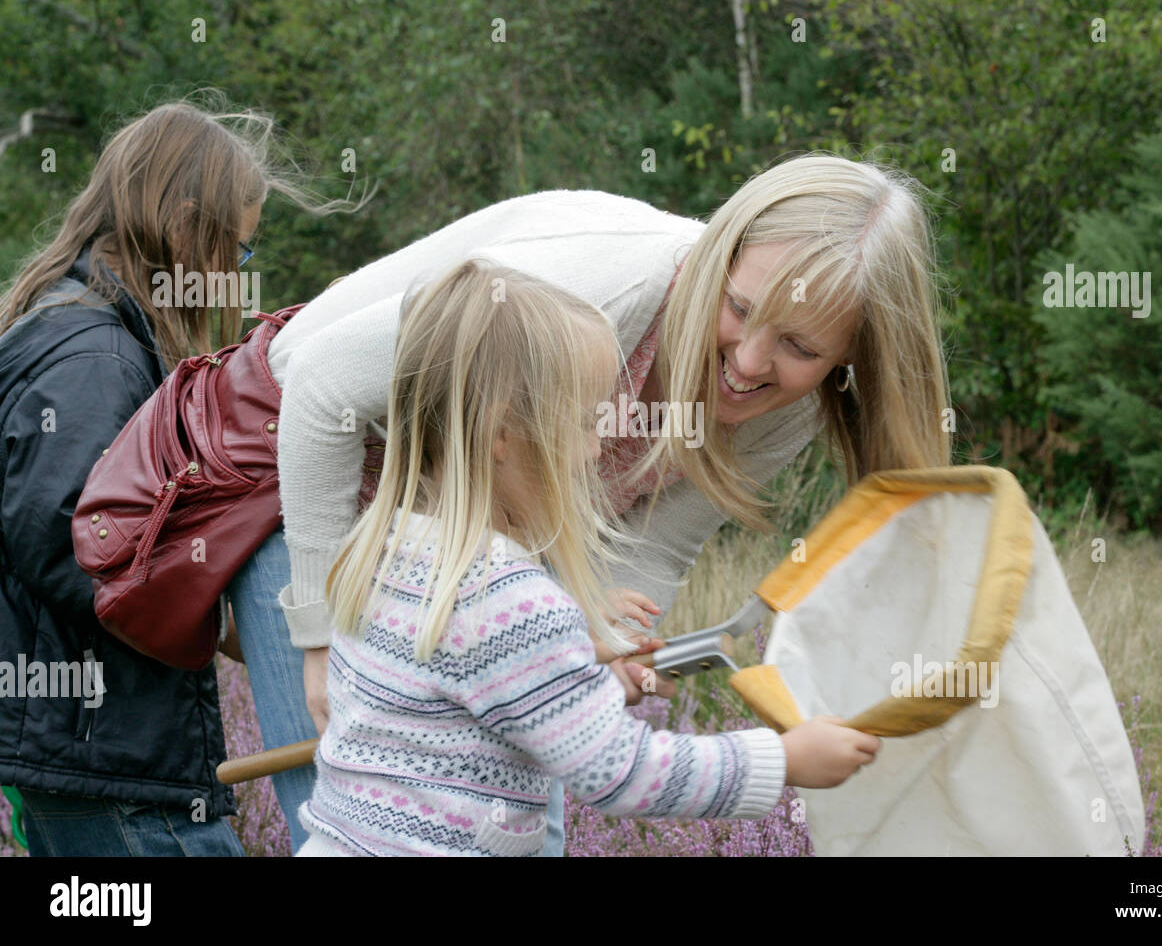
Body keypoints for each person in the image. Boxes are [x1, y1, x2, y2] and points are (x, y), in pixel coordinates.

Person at [232, 151, 952, 854]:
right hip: (309, 468)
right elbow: (321, 385)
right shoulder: (596, 294)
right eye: (739, 308)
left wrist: (599, 643)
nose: (752, 361)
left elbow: (658, 542)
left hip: (466, 543)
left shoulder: (787, 409)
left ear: (850, 355)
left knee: (503, 813)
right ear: (721, 256)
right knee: (364, 793)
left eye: (798, 345)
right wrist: (321, 638)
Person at [295, 259, 880, 855]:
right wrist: (782, 760)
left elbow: (461, 703)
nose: (599, 447)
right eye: (583, 422)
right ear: (502, 435)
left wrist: (578, 681)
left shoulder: (381, 550)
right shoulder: (511, 601)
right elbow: (621, 774)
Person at [0, 96, 352, 855]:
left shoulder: (82, 328)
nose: (236, 273)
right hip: (115, 773)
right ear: (186, 227)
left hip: (101, 762)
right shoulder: (95, 357)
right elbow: (75, 545)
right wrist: (223, 619)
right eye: (238, 249)